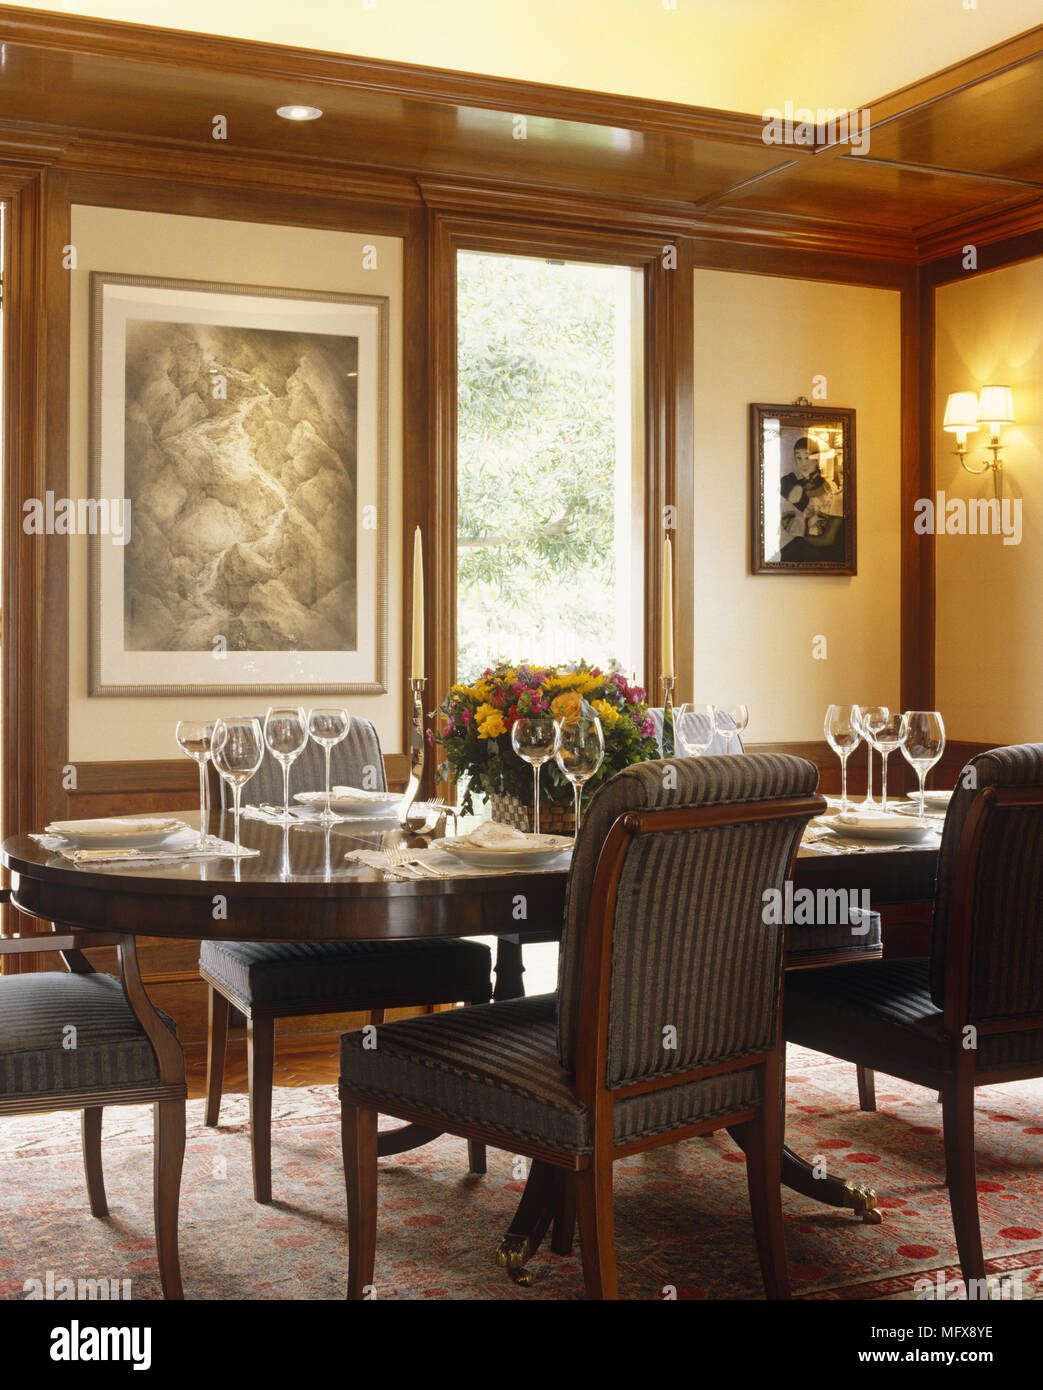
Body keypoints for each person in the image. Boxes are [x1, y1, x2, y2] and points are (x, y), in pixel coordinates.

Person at [778, 436, 844, 563]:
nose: (803, 463)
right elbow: (786, 522)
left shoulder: (829, 488)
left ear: (817, 460)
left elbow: (827, 532)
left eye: (807, 457)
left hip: (820, 548)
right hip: (798, 545)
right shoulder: (790, 484)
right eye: (799, 458)